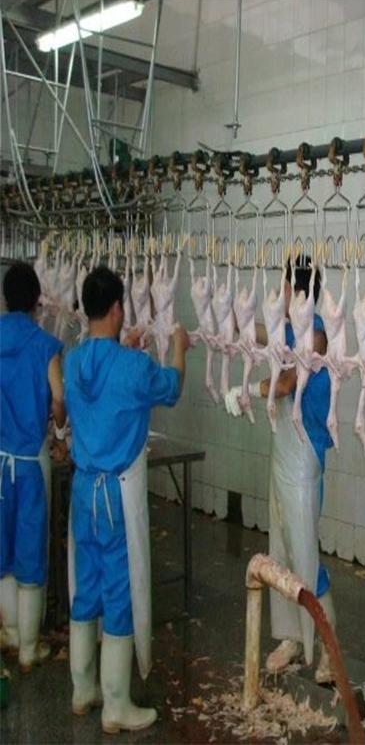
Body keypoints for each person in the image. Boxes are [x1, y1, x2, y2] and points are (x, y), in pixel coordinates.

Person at [63, 266, 190, 733]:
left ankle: (83, 689)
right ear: (118, 308)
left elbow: (102, 379)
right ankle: (116, 704)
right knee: (119, 590)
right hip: (116, 494)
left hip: (83, 490)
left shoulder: (73, 361)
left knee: (86, 586)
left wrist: (126, 348)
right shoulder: (134, 368)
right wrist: (179, 348)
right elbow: (171, 388)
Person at [225, 256, 335, 683]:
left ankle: (328, 647)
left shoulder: (317, 333)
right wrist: (233, 318)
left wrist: (249, 390)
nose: (280, 293)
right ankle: (292, 638)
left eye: (284, 285)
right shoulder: (288, 329)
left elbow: (287, 383)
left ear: (298, 291)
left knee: (304, 550)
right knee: (283, 546)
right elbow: (260, 332)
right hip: (283, 453)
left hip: (305, 454)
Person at [0, 261, 66, 671]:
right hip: (29, 462)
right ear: (37, 301)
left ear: (5, 299)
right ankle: (28, 647)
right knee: (30, 551)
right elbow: (58, 400)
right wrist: (59, 430)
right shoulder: (45, 345)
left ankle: (8, 633)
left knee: (2, 549)